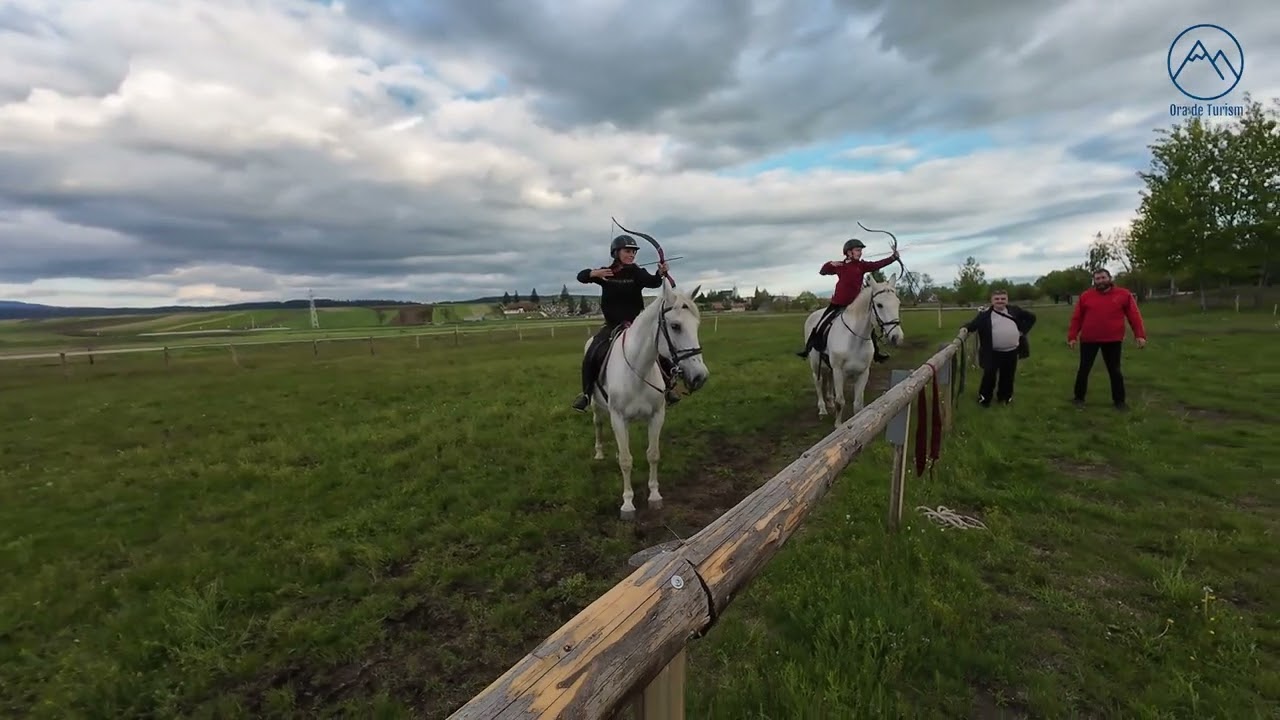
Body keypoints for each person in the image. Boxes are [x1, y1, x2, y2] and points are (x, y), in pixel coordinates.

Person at [571, 233, 673, 412]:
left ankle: (668, 389)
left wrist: (660, 273)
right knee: (593, 352)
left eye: (633, 252)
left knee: (659, 351)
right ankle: (587, 394)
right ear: (616, 253)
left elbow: (653, 282)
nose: (631, 255)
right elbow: (581, 276)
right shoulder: (607, 273)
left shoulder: (637, 272)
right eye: (627, 251)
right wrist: (594, 273)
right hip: (612, 325)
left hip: (636, 326)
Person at [796, 238, 901, 360]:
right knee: (821, 323)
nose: (860, 253)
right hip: (838, 303)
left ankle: (876, 354)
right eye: (857, 250)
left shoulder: (862, 265)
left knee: (868, 329)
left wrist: (893, 258)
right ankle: (809, 348)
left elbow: (877, 264)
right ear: (849, 252)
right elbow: (823, 271)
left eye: (860, 250)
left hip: (855, 305)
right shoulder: (841, 266)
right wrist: (830, 264)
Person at [1067, 268, 1147, 411]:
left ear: (1109, 278)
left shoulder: (1123, 294)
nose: (1101, 281)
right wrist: (1072, 336)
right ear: (1094, 281)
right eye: (1097, 279)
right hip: (1089, 339)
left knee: (1115, 370)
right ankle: (1078, 398)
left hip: (1113, 339)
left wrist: (1139, 335)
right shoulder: (1086, 296)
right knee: (1084, 369)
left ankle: (1119, 402)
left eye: (1103, 277)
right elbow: (1077, 318)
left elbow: (1134, 316)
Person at [963, 288, 1036, 406]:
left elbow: (1032, 318)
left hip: (1012, 351)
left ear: (1007, 300)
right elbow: (972, 325)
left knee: (1008, 376)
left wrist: (1023, 330)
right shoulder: (985, 315)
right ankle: (984, 399)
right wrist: (964, 329)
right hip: (992, 352)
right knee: (989, 376)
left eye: (1003, 298)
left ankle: (1005, 398)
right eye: (997, 299)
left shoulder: (1014, 310)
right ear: (992, 301)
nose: (1000, 301)